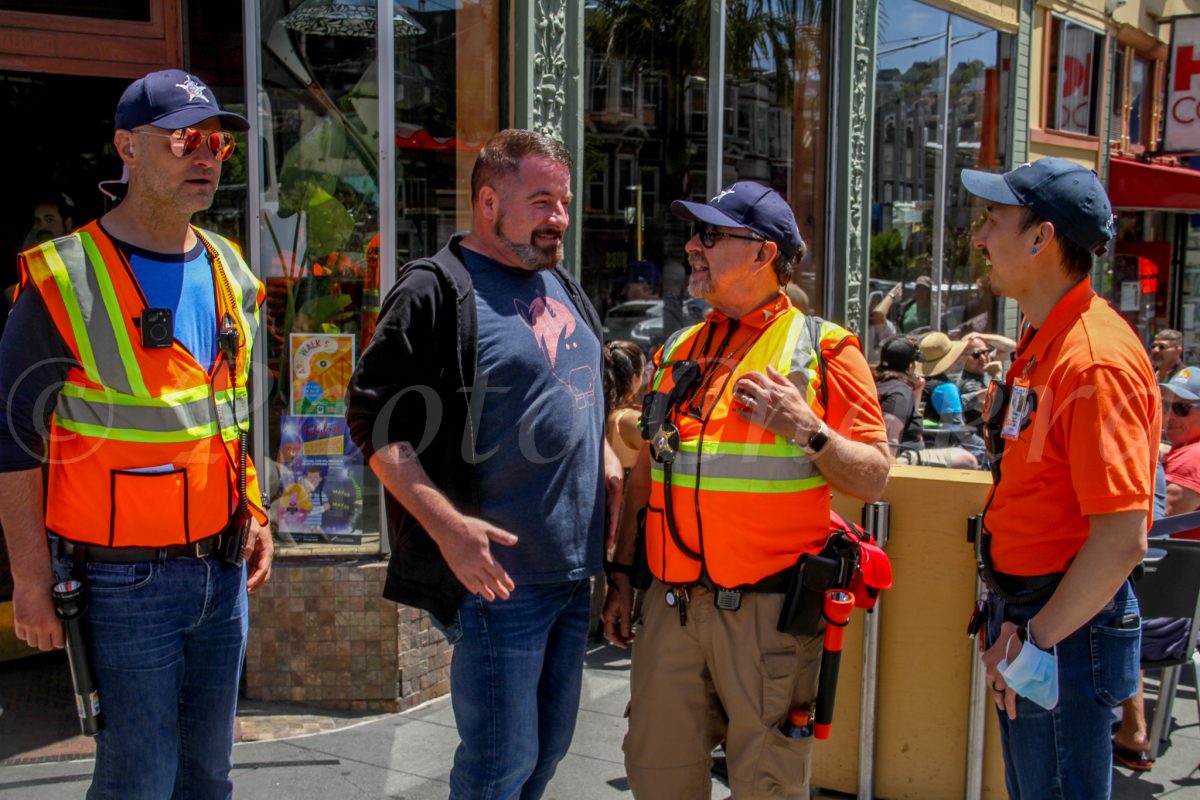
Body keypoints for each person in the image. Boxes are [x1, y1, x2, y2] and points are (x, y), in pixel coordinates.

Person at [0, 69, 272, 799]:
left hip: (222, 571)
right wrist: (29, 579)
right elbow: (13, 443)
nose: (206, 156)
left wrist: (255, 510)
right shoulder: (64, 276)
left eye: (214, 141)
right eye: (183, 139)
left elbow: (228, 414)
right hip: (123, 582)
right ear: (126, 146)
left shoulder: (231, 270)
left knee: (208, 778)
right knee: (138, 779)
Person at [344, 129, 622, 800]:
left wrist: (607, 454)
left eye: (564, 201)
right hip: (498, 583)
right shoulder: (436, 290)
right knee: (500, 763)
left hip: (569, 574)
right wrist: (447, 528)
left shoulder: (562, 284)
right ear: (489, 201)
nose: (559, 218)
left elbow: (580, 388)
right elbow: (376, 423)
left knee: (547, 754)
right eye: (541, 201)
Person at [601, 180, 890, 798]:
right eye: (695, 234)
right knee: (657, 779)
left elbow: (873, 475)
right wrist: (621, 575)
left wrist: (808, 430)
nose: (692, 247)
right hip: (670, 610)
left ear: (763, 253)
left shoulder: (826, 348)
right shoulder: (678, 348)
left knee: (768, 787)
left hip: (768, 620)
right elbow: (648, 474)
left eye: (711, 235)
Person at [962, 157, 1158, 798]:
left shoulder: (1092, 357)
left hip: (1060, 630)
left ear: (1042, 237)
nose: (980, 236)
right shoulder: (1046, 338)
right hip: (1037, 623)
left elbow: (1121, 539)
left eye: (994, 219)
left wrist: (1032, 645)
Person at [1110, 366, 1200, 771]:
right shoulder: (1183, 454)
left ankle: (1131, 727)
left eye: (1183, 408)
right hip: (1181, 606)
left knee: (1097, 595)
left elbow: (1156, 514)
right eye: (1167, 406)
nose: (1171, 416)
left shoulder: (1189, 463)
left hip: (1168, 613)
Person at [875, 335, 978, 469]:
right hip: (899, 461)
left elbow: (907, 421)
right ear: (909, 366)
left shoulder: (879, 384)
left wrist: (917, 391)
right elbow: (890, 440)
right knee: (967, 459)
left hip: (905, 452)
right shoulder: (899, 393)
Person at [956, 334, 995, 429]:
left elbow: (1011, 347)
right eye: (976, 355)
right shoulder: (968, 384)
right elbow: (993, 410)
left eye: (985, 352)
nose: (982, 358)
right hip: (979, 439)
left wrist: (980, 335)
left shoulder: (982, 371)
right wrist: (996, 376)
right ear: (962, 358)